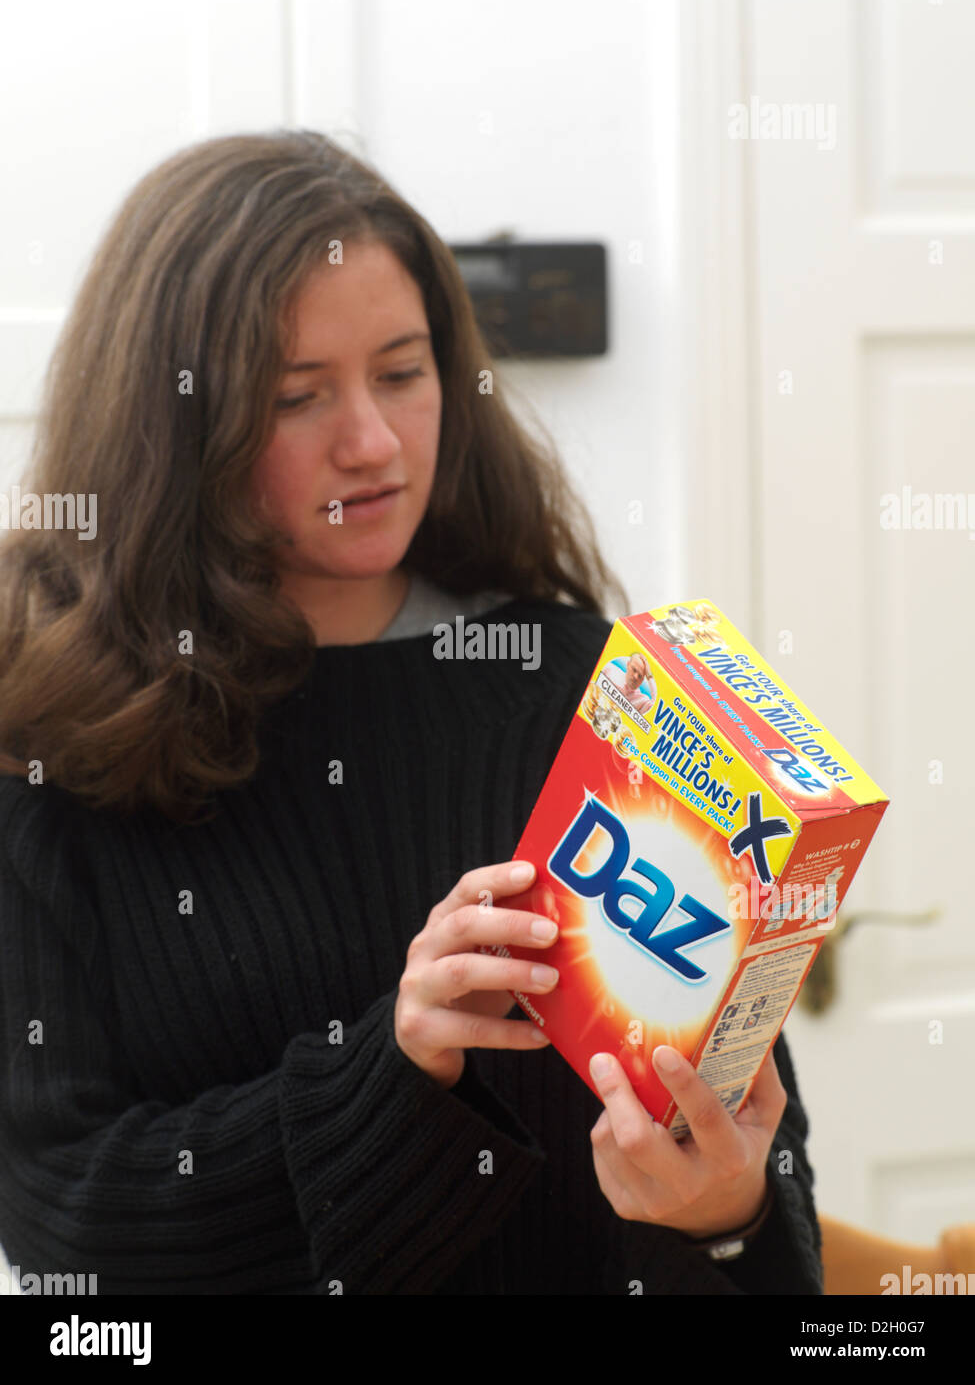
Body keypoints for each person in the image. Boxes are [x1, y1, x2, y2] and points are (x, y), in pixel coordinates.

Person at [0, 129, 823, 1295]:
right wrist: (392, 1077)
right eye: (297, 396)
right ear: (171, 423)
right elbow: (63, 1221)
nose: (375, 443)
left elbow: (772, 1207)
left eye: (402, 372)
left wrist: (729, 1214)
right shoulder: (53, 735)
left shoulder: (587, 687)